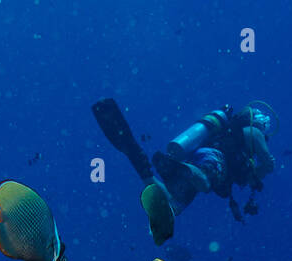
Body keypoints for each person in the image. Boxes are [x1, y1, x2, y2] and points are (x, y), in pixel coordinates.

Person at [92, 98, 277, 243]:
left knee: (173, 204)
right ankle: (184, 169)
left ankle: (137, 159)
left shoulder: (230, 138)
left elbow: (245, 178)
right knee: (204, 183)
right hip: (212, 160)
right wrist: (267, 166)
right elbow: (267, 164)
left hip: (200, 156)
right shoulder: (254, 133)